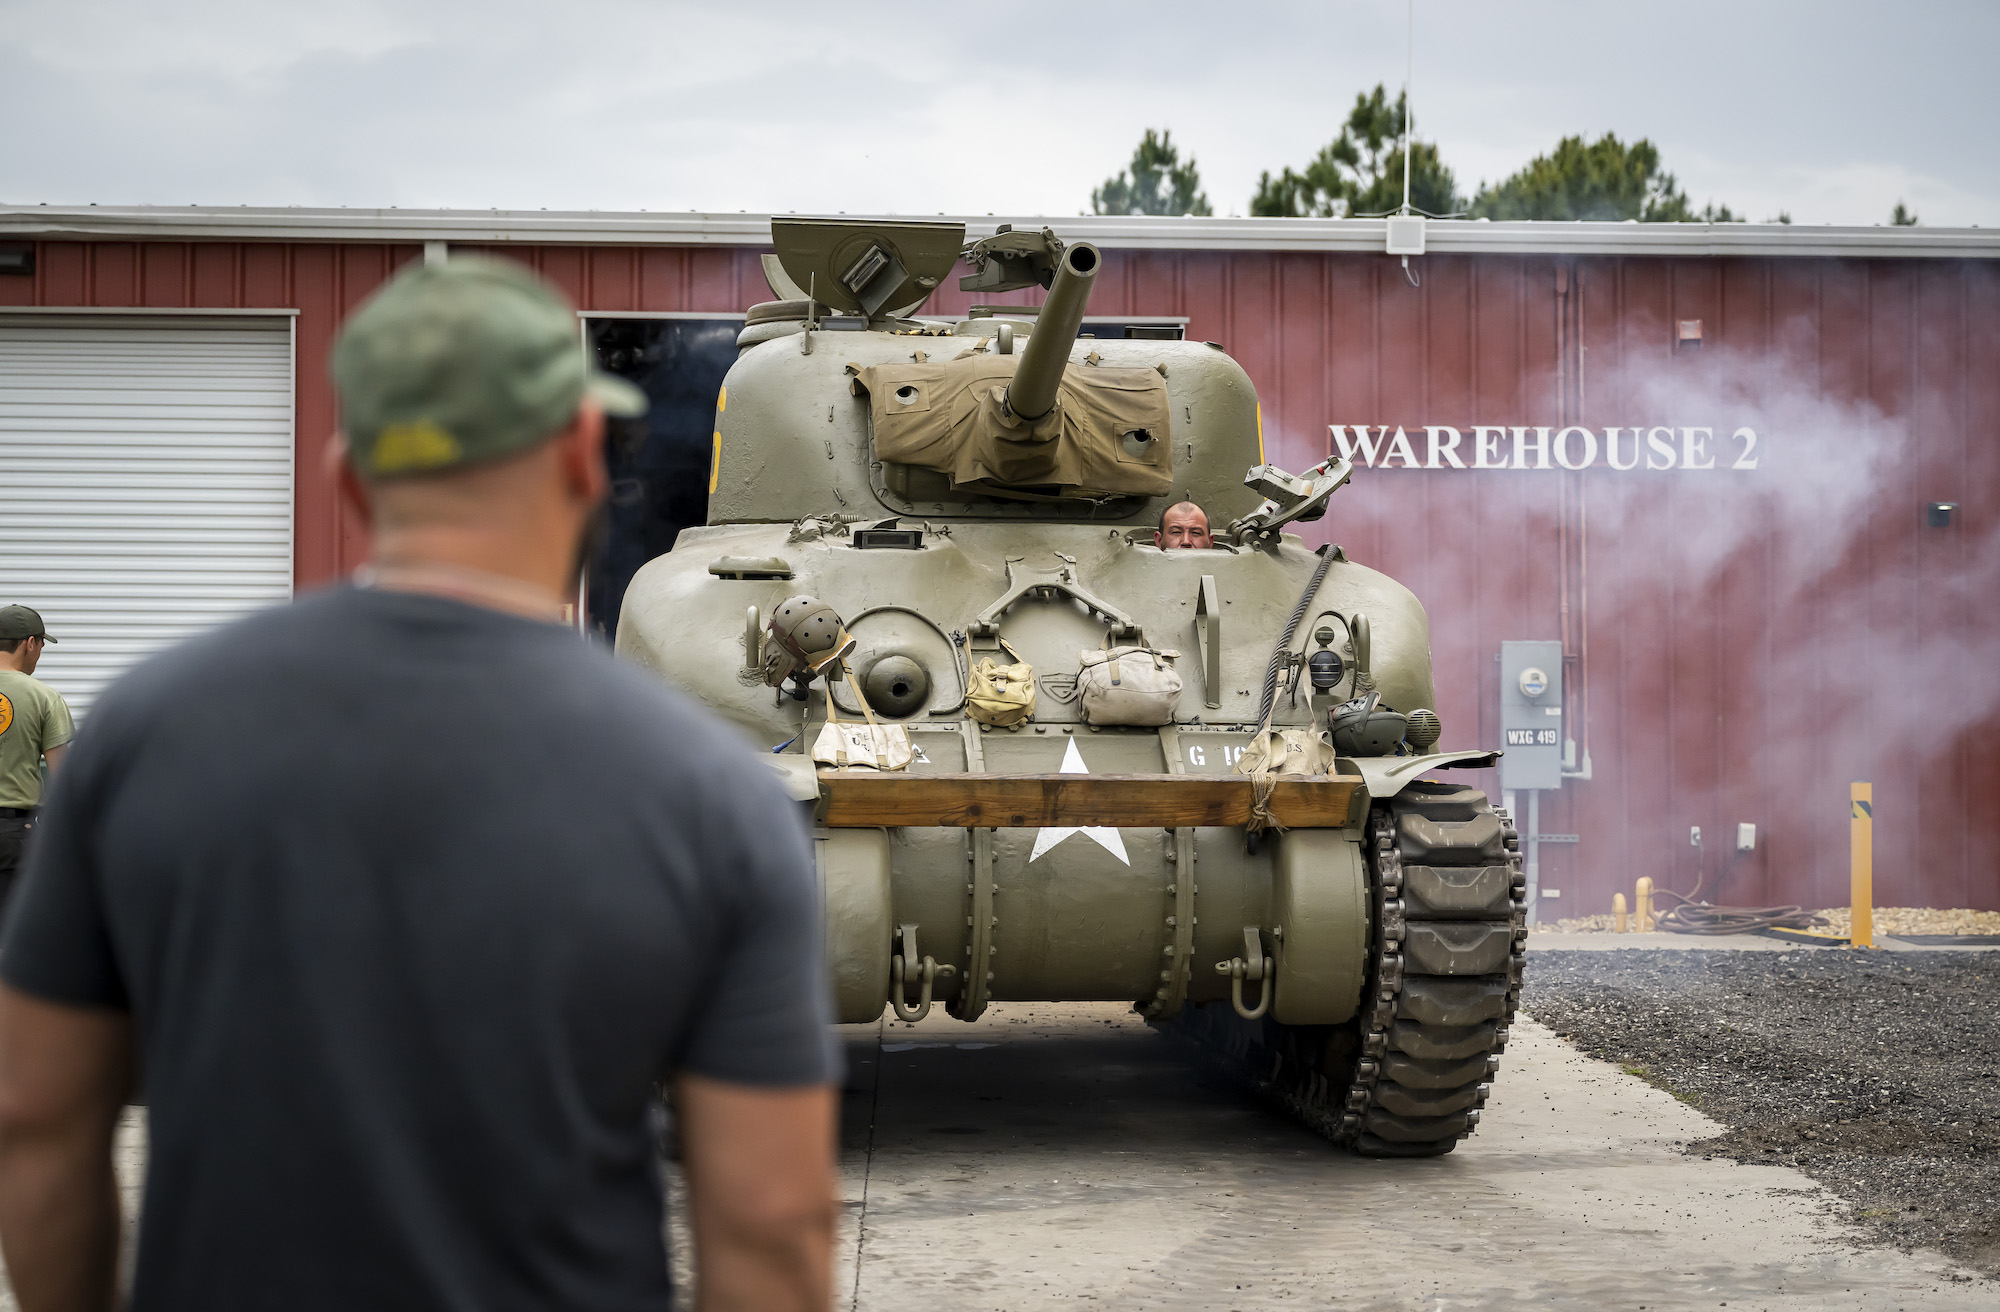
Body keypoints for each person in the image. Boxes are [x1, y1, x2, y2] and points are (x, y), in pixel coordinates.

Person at [0, 258, 839, 1312]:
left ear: (349, 474)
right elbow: (768, 1224)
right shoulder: (711, 795)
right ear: (582, 455)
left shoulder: (144, 736)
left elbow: (37, 1115)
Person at [0, 606, 73, 914]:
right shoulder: (45, 698)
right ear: (29, 643)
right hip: (16, 836)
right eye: (41, 645)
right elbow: (65, 781)